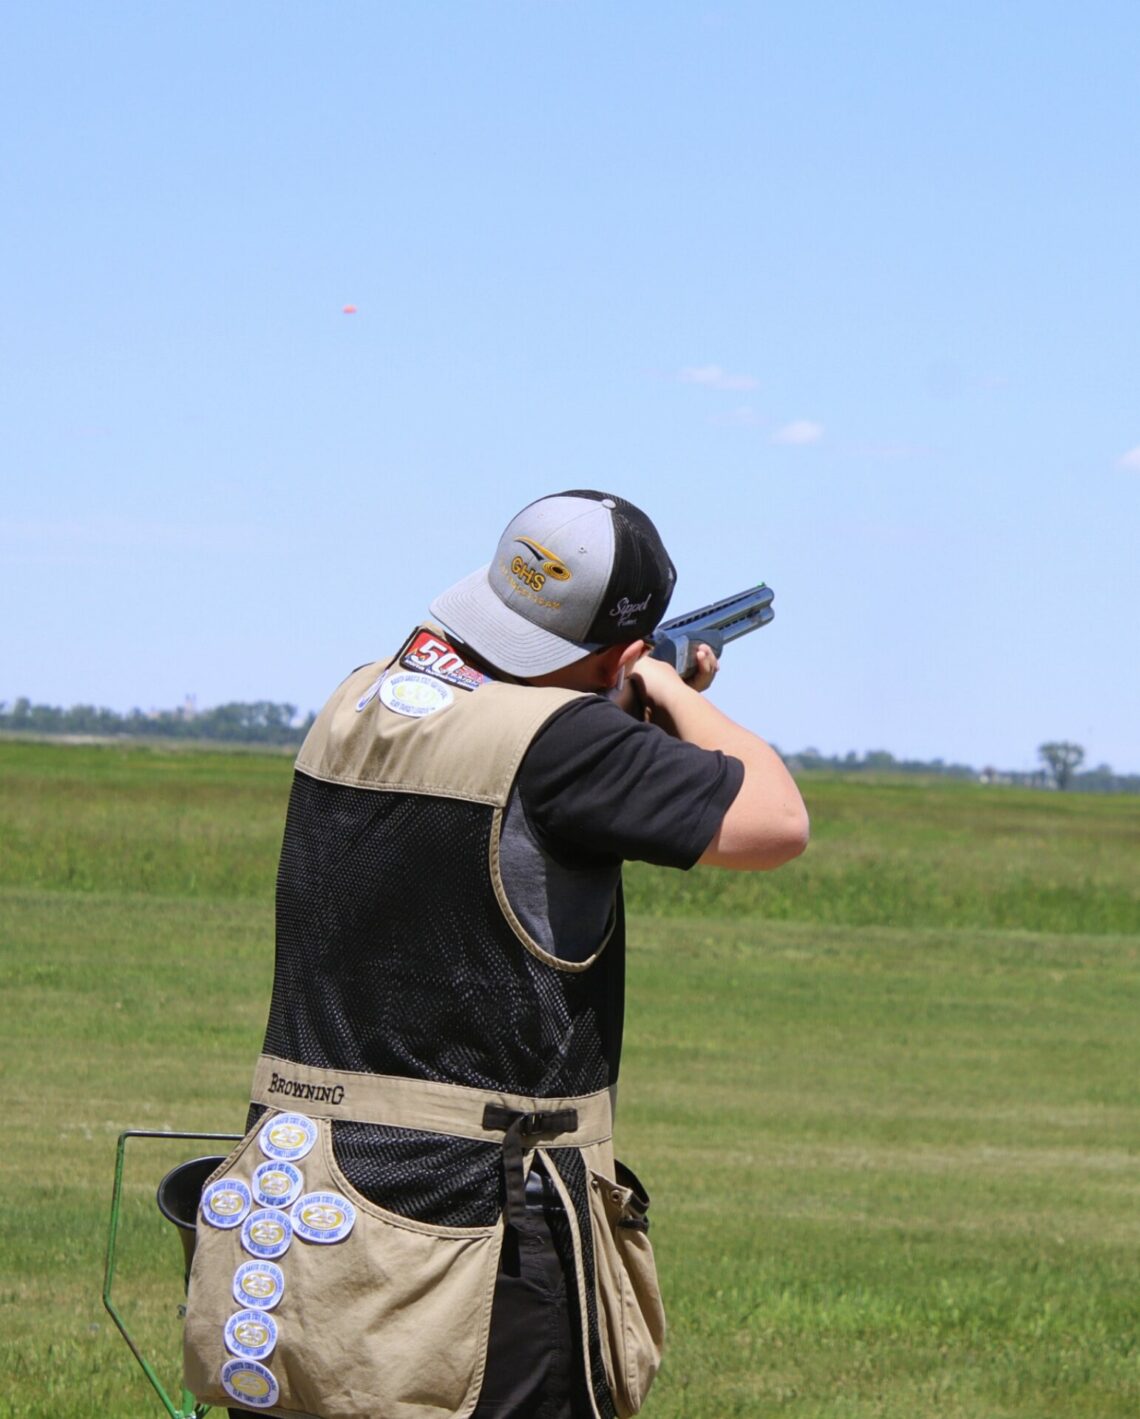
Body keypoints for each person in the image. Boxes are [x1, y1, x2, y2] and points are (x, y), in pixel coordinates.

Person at [184, 489, 808, 1419]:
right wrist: (670, 691)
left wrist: (616, 703)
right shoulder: (568, 744)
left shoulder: (357, 699)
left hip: (302, 1213)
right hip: (473, 1241)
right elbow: (776, 821)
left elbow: (489, 800)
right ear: (624, 652)